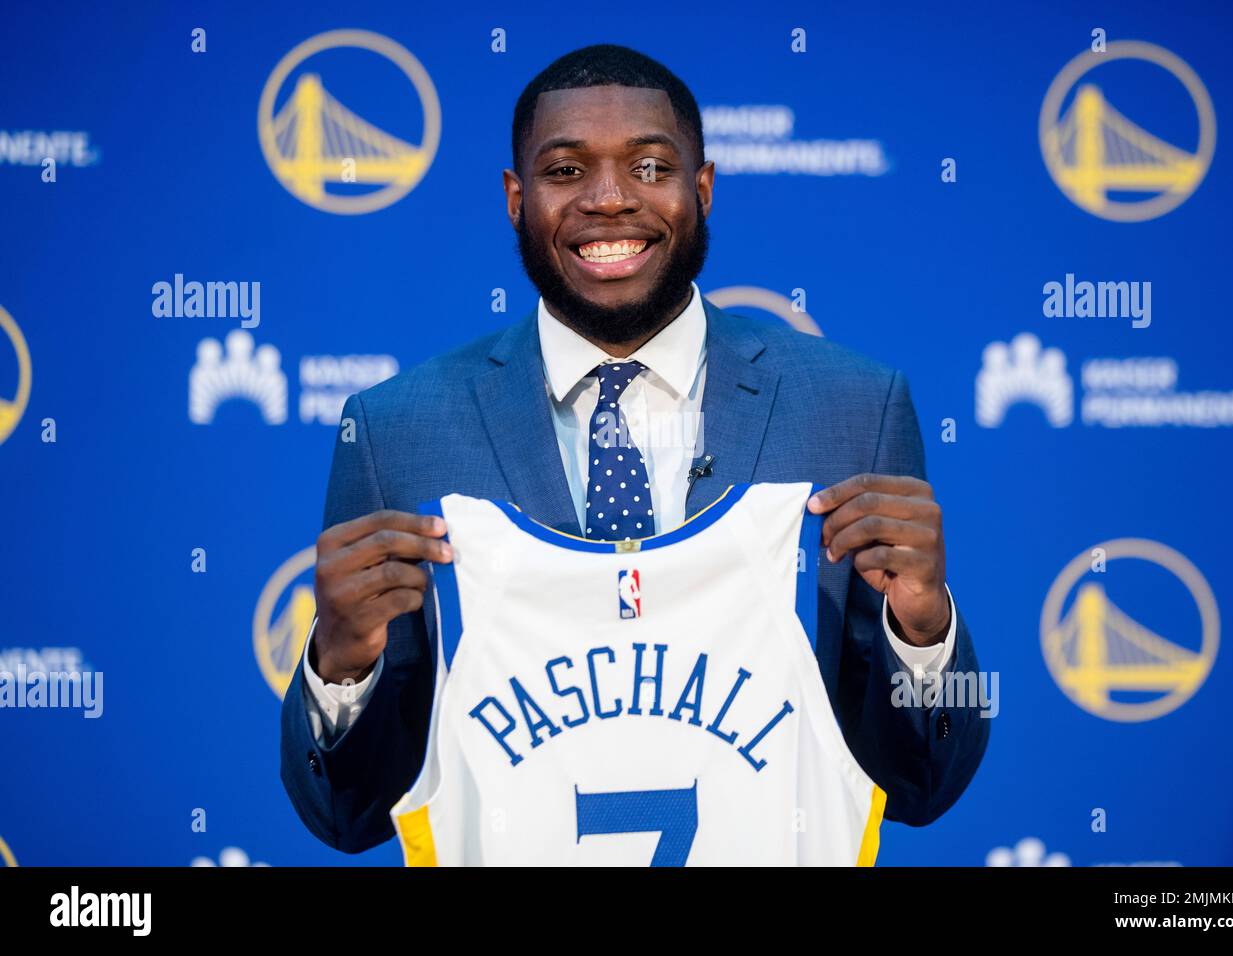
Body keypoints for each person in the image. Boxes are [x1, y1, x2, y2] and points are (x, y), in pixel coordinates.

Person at [280, 43, 988, 854]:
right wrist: (340, 667)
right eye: (565, 171)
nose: (609, 200)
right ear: (516, 198)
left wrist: (925, 633)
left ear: (704, 188)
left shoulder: (852, 409)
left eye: (650, 168)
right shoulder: (395, 430)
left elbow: (923, 789)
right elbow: (347, 818)